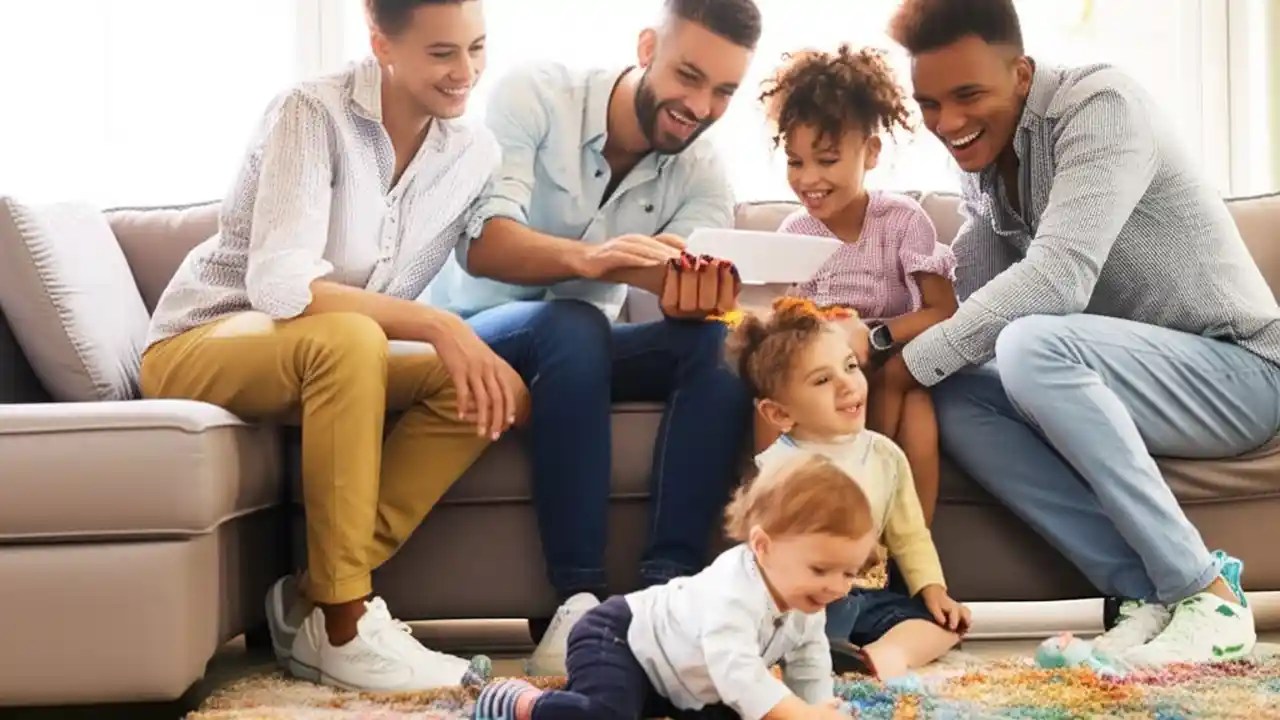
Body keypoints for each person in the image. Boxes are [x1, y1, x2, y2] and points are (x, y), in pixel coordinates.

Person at [140, 0, 528, 691]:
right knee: (355, 337)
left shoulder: (473, 152)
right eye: (442, 53)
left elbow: (496, 240)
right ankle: (346, 625)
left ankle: (311, 599)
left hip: (331, 356)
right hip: (201, 341)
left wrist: (615, 263)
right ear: (382, 43)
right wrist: (441, 325)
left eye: (477, 47)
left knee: (489, 389)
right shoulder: (310, 113)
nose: (465, 71)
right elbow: (282, 285)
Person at [882, 0, 1280, 666]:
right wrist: (871, 346)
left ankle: (1207, 594)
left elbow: (1057, 279)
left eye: (967, 95)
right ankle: (1145, 594)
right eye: (928, 104)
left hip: (1243, 372)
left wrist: (912, 361)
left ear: (1021, 73)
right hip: (1125, 378)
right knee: (957, 395)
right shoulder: (984, 162)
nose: (947, 123)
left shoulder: (1101, 105)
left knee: (1030, 342)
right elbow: (974, 304)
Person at [432, 0, 762, 674]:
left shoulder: (701, 170)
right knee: (577, 319)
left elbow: (689, 293)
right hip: (475, 334)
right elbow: (482, 244)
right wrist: (590, 260)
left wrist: (698, 297)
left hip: (576, 352)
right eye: (689, 76)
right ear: (647, 48)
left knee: (718, 345)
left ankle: (664, 597)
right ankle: (578, 601)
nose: (700, 106)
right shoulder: (535, 96)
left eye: (723, 91)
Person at [471, 450, 876, 720]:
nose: (836, 587)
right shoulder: (733, 590)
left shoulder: (806, 603)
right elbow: (736, 670)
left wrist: (818, 706)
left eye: (848, 572)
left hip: (676, 681)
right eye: (821, 570)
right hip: (618, 637)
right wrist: (798, 714)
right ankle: (521, 701)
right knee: (606, 714)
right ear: (763, 547)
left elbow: (808, 659)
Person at [756, 43, 958, 525]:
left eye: (826, 160)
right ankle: (771, 533)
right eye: (795, 161)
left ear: (870, 152)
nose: (808, 179)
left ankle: (908, 554)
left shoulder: (902, 220)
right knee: (770, 399)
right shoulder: (794, 234)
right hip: (820, 369)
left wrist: (873, 335)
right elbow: (786, 323)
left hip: (891, 361)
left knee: (921, 415)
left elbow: (944, 309)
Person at [726, 298, 969, 679]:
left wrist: (933, 588)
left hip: (869, 595)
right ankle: (815, 652)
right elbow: (766, 557)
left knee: (945, 627)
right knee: (780, 626)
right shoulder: (779, 467)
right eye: (822, 380)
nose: (847, 385)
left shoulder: (886, 456)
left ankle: (884, 652)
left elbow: (909, 535)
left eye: (851, 367)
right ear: (779, 413)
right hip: (808, 599)